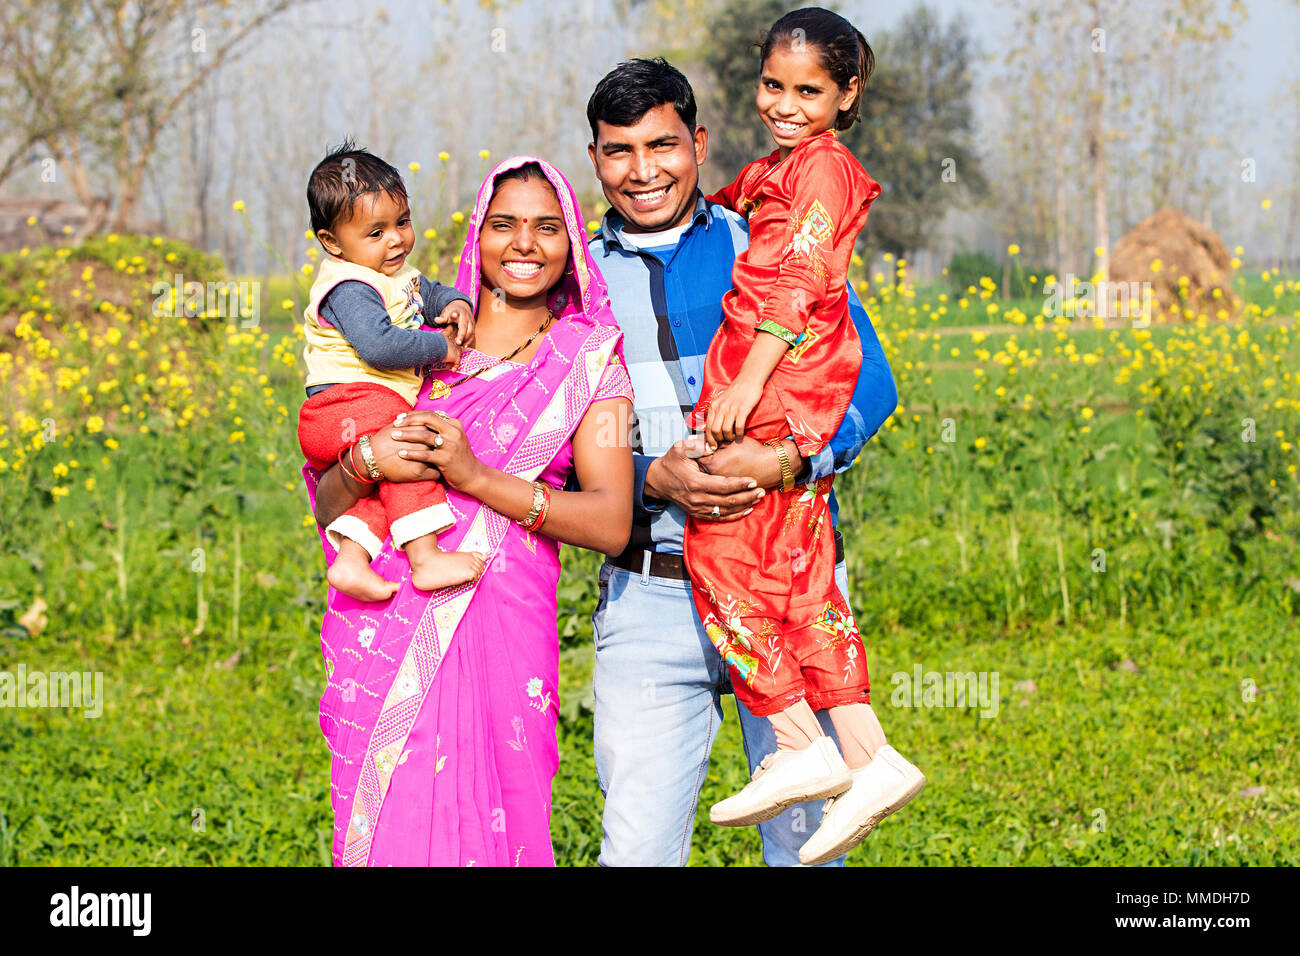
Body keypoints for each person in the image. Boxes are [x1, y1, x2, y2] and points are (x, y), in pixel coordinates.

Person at [584, 56, 900, 866]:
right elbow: (542, 442)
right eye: (619, 151)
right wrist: (650, 475)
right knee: (637, 853)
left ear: (699, 141)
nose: (643, 171)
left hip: (785, 583)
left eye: (663, 145)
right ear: (595, 158)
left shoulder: (767, 234)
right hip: (650, 597)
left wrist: (789, 461)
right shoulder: (574, 284)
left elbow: (871, 382)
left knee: (807, 854)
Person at [305, 156, 634, 866]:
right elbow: (331, 502)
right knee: (397, 820)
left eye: (548, 227)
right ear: (476, 236)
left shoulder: (588, 362)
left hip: (503, 624)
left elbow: (610, 523)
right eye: (504, 224)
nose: (525, 244)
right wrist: (367, 460)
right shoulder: (410, 346)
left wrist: (474, 476)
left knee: (499, 818)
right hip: (386, 615)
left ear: (572, 243)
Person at [680, 7, 924, 866]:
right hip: (783, 375)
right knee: (796, 575)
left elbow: (798, 282)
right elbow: (741, 198)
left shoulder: (824, 170)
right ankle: (868, 756)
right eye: (773, 85)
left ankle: (796, 738)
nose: (784, 103)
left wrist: (747, 385)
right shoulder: (794, 165)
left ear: (847, 92)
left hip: (782, 376)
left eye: (808, 90)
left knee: (717, 552)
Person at [297, 140, 483, 603]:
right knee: (412, 453)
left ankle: (352, 560)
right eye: (375, 232)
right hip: (346, 403)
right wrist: (440, 346)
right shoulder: (349, 286)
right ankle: (425, 558)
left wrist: (456, 303)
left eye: (402, 222)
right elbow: (378, 347)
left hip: (356, 408)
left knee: (378, 491)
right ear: (333, 243)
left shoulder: (393, 274)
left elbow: (429, 291)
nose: (396, 239)